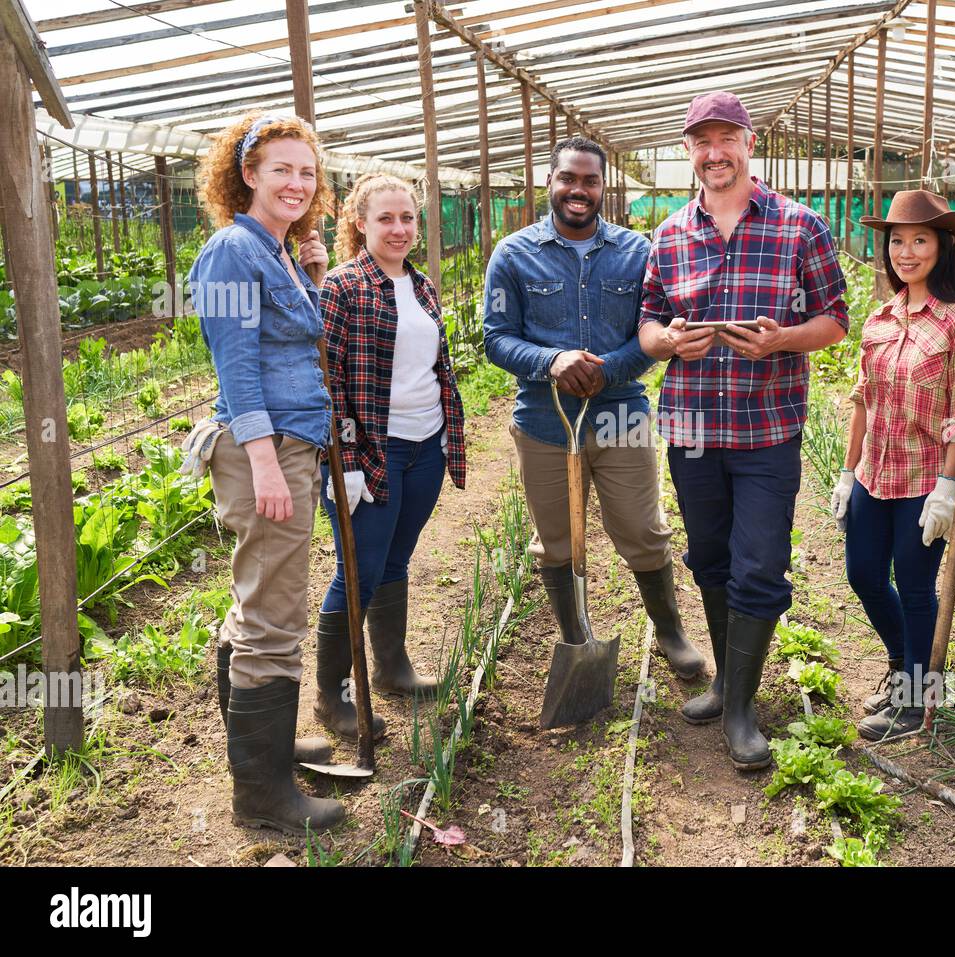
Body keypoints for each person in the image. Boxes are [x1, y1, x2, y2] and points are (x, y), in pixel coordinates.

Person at [639, 92, 848, 770]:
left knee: (759, 565)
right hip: (694, 429)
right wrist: (668, 341)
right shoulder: (669, 235)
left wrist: (784, 338)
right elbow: (647, 322)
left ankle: (738, 709)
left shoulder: (799, 226)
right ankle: (729, 679)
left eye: (725, 137)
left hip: (767, 429)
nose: (713, 152)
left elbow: (835, 318)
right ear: (689, 152)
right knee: (711, 558)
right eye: (701, 141)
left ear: (749, 143)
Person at [484, 137, 704, 680]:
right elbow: (495, 338)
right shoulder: (513, 254)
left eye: (589, 181)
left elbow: (651, 332)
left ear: (603, 188)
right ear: (551, 183)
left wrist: (609, 368)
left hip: (621, 413)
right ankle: (575, 638)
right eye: (568, 179)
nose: (578, 190)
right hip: (544, 419)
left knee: (642, 530)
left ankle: (671, 633)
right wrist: (553, 360)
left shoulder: (637, 251)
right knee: (556, 540)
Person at [188, 112, 342, 834]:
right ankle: (264, 798)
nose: (296, 182)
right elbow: (237, 364)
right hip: (266, 448)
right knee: (273, 618)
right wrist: (264, 463)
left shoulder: (276, 251)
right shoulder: (231, 250)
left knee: (258, 602)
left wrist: (310, 276)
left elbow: (288, 339)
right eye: (281, 168)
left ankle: (268, 750)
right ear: (247, 174)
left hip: (290, 443)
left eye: (306, 171)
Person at [314, 174, 467, 739]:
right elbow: (324, 382)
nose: (399, 229)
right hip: (374, 449)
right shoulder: (343, 288)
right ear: (360, 224)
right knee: (358, 571)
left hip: (425, 445)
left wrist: (449, 427)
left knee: (396, 561)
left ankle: (392, 668)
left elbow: (434, 366)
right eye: (386, 219)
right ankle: (332, 697)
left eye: (407, 218)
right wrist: (343, 458)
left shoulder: (422, 285)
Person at [830, 191, 955, 742]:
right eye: (897, 240)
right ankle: (903, 664)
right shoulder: (878, 318)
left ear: (943, 248)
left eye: (920, 240)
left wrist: (948, 487)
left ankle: (918, 697)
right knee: (864, 576)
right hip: (875, 473)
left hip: (923, 479)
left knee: (916, 587)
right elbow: (862, 401)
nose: (907, 251)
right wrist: (848, 474)